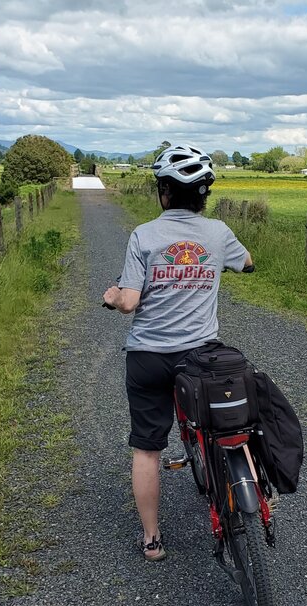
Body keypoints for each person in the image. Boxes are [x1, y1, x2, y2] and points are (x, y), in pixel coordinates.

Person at [102, 143, 253, 562]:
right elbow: (249, 264)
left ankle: (151, 540)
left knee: (147, 449)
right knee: (220, 425)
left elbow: (129, 301)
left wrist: (112, 294)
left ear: (164, 191)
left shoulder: (144, 235)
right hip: (201, 356)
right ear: (204, 194)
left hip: (148, 357)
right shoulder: (219, 233)